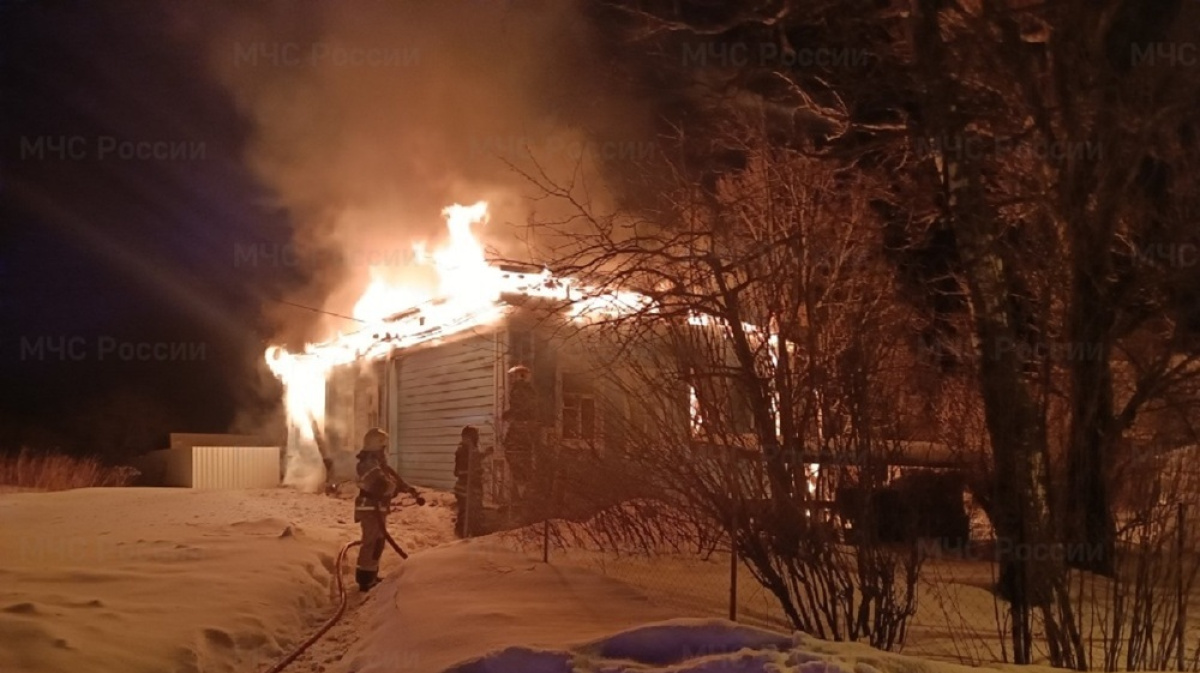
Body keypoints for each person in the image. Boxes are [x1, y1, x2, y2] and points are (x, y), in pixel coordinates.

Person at [354, 427, 422, 592]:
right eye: (383, 447)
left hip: (378, 508)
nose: (385, 451)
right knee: (370, 543)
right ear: (377, 447)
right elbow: (381, 485)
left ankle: (371, 573)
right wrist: (392, 488)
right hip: (370, 509)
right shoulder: (367, 464)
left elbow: (394, 480)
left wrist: (410, 490)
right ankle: (364, 580)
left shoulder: (379, 464)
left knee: (378, 542)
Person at [502, 365, 538, 506]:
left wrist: (510, 414)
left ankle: (521, 487)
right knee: (520, 452)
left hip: (521, 424)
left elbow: (521, 407)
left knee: (512, 450)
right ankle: (522, 486)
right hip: (525, 426)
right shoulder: (530, 390)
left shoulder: (519, 390)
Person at [453, 426, 492, 537]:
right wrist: (472, 473)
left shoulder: (470, 449)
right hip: (466, 488)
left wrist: (485, 454)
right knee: (466, 512)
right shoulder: (463, 450)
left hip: (471, 487)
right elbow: (459, 471)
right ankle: (463, 535)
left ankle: (472, 532)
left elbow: (475, 459)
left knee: (472, 511)